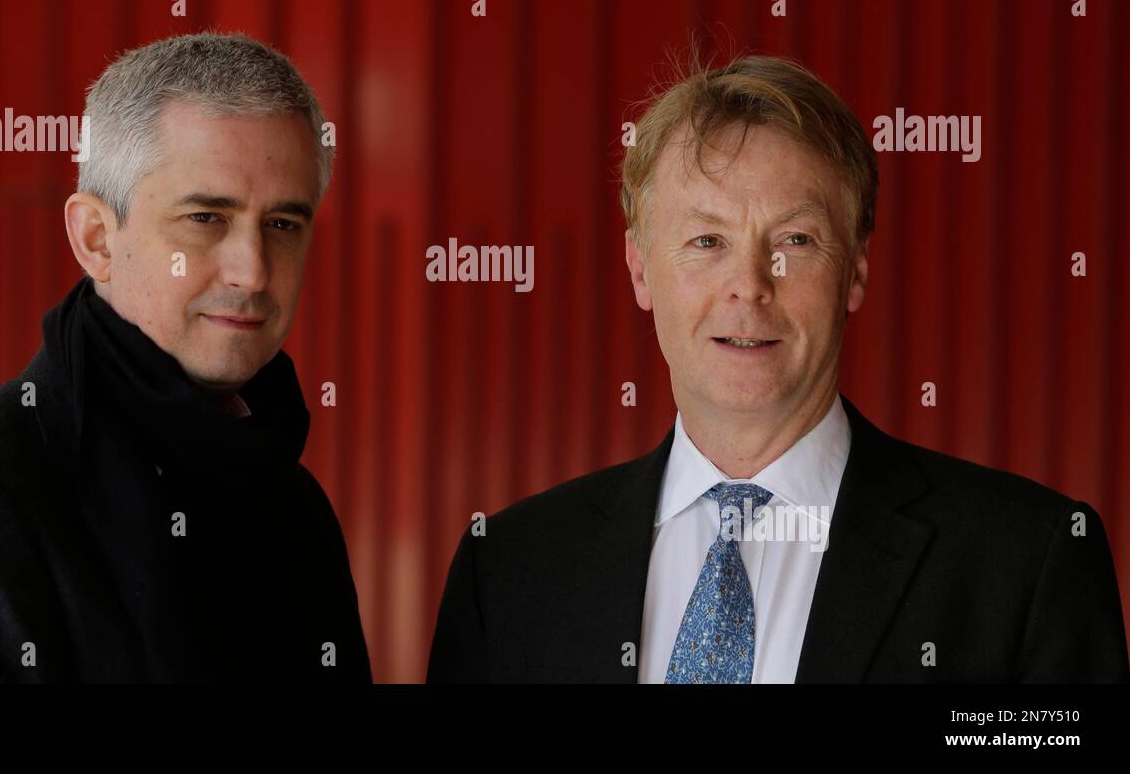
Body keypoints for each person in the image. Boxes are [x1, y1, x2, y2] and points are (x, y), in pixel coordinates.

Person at [427, 53, 1129, 683]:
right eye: (707, 240)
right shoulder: (510, 572)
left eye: (796, 238)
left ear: (854, 270)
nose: (751, 285)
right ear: (639, 269)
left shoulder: (1029, 565)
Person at [0, 32, 372, 682]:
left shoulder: (295, 510)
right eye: (206, 218)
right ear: (97, 238)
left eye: (283, 225)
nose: (253, 271)